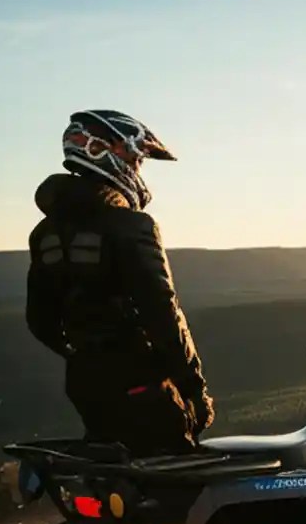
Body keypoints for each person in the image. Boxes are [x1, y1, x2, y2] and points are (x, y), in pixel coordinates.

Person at [25, 109, 215, 457]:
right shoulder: (131, 225)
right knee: (177, 487)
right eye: (137, 159)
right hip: (141, 381)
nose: (138, 170)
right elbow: (162, 311)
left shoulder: (45, 233)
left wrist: (83, 354)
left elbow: (39, 320)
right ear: (108, 152)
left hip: (85, 383)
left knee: (115, 478)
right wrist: (193, 388)